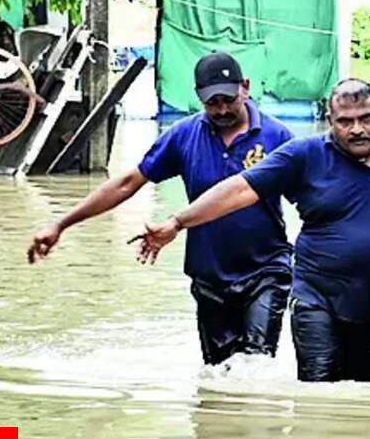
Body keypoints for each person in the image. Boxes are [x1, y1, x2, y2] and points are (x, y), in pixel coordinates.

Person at [135, 78, 370, 382]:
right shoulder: (305, 155)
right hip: (318, 300)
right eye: (345, 122)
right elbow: (239, 189)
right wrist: (178, 222)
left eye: (366, 119)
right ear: (329, 120)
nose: (357, 129)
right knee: (317, 392)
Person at [27, 51, 294, 366]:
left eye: (228, 100)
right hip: (210, 274)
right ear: (198, 97)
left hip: (266, 270)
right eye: (212, 102)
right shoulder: (183, 136)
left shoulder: (278, 137)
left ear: (244, 87)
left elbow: (314, 196)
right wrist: (61, 224)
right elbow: (127, 183)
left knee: (256, 363)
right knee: (219, 373)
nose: (222, 109)